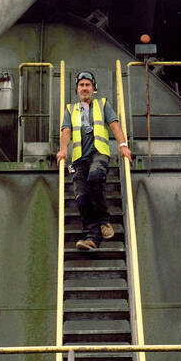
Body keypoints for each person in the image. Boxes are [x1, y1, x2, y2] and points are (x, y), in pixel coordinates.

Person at [56, 70, 131, 251]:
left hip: (99, 153)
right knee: (82, 197)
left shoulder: (102, 104)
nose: (84, 88)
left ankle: (104, 220)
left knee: (95, 178)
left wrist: (122, 146)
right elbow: (66, 131)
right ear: (77, 89)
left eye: (87, 85)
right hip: (79, 157)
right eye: (81, 85)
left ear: (94, 88)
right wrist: (63, 150)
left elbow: (114, 124)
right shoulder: (70, 109)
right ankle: (92, 238)